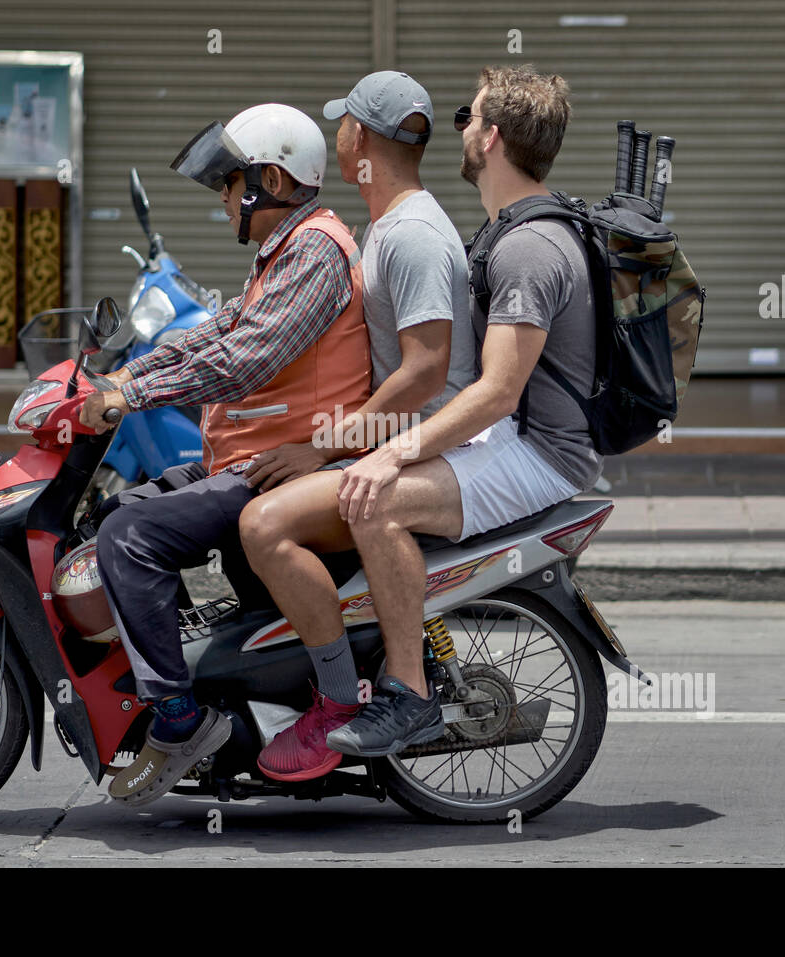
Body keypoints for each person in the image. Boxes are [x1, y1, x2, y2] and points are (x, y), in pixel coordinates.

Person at [77, 103, 372, 803]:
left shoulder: (314, 253)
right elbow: (216, 332)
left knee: (128, 536)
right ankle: (200, 675)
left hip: (276, 468)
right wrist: (116, 375)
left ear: (270, 179)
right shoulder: (284, 253)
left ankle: (180, 722)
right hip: (249, 458)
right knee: (115, 514)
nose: (223, 197)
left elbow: (245, 358)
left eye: (230, 182)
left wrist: (135, 390)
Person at [321, 65, 605, 757]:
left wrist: (392, 449)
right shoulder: (512, 228)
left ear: (494, 138)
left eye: (467, 118)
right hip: (514, 433)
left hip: (538, 450)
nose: (459, 130)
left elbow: (498, 392)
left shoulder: (530, 249)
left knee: (377, 501)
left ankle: (409, 693)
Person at [237, 72, 476, 782]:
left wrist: (319, 446)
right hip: (389, 442)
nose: (335, 136)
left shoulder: (413, 236)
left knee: (263, 525)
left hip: (421, 453)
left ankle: (338, 701)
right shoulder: (388, 226)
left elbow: (425, 371)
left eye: (342, 125)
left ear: (361, 139)